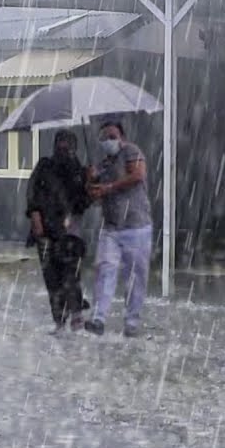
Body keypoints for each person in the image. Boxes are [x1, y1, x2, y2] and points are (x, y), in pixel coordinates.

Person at [85, 120, 152, 338]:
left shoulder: (131, 151)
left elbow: (138, 175)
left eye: (112, 136)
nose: (108, 141)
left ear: (121, 137)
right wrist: (92, 183)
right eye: (104, 137)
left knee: (135, 276)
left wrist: (108, 187)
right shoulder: (102, 165)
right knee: (105, 269)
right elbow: (95, 196)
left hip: (136, 225)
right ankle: (98, 318)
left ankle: (132, 322)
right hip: (111, 227)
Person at [26, 130, 92, 333]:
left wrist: (89, 181)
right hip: (45, 231)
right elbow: (32, 192)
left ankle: (77, 316)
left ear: (75, 147)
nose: (64, 147)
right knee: (52, 278)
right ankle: (59, 321)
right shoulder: (45, 166)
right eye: (61, 143)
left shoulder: (80, 172)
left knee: (71, 275)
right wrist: (35, 217)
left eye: (68, 144)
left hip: (70, 233)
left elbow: (84, 202)